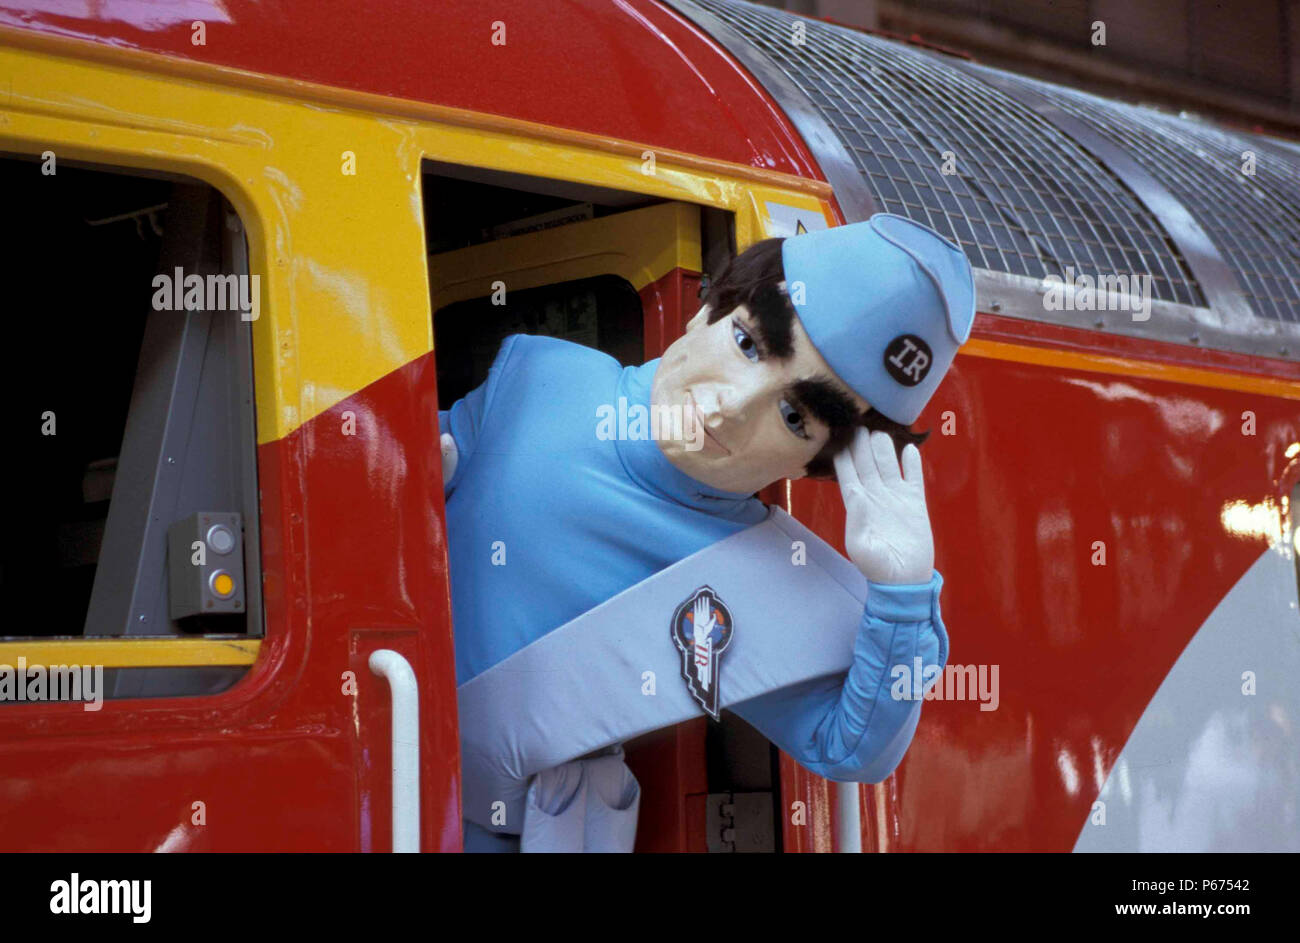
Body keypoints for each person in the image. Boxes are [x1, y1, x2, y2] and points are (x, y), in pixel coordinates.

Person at [438, 213, 975, 852]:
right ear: (708, 312)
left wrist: (902, 593)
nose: (730, 406)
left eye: (793, 416)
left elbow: (851, 749)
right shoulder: (537, 378)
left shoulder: (765, 577)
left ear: (814, 466)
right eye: (749, 344)